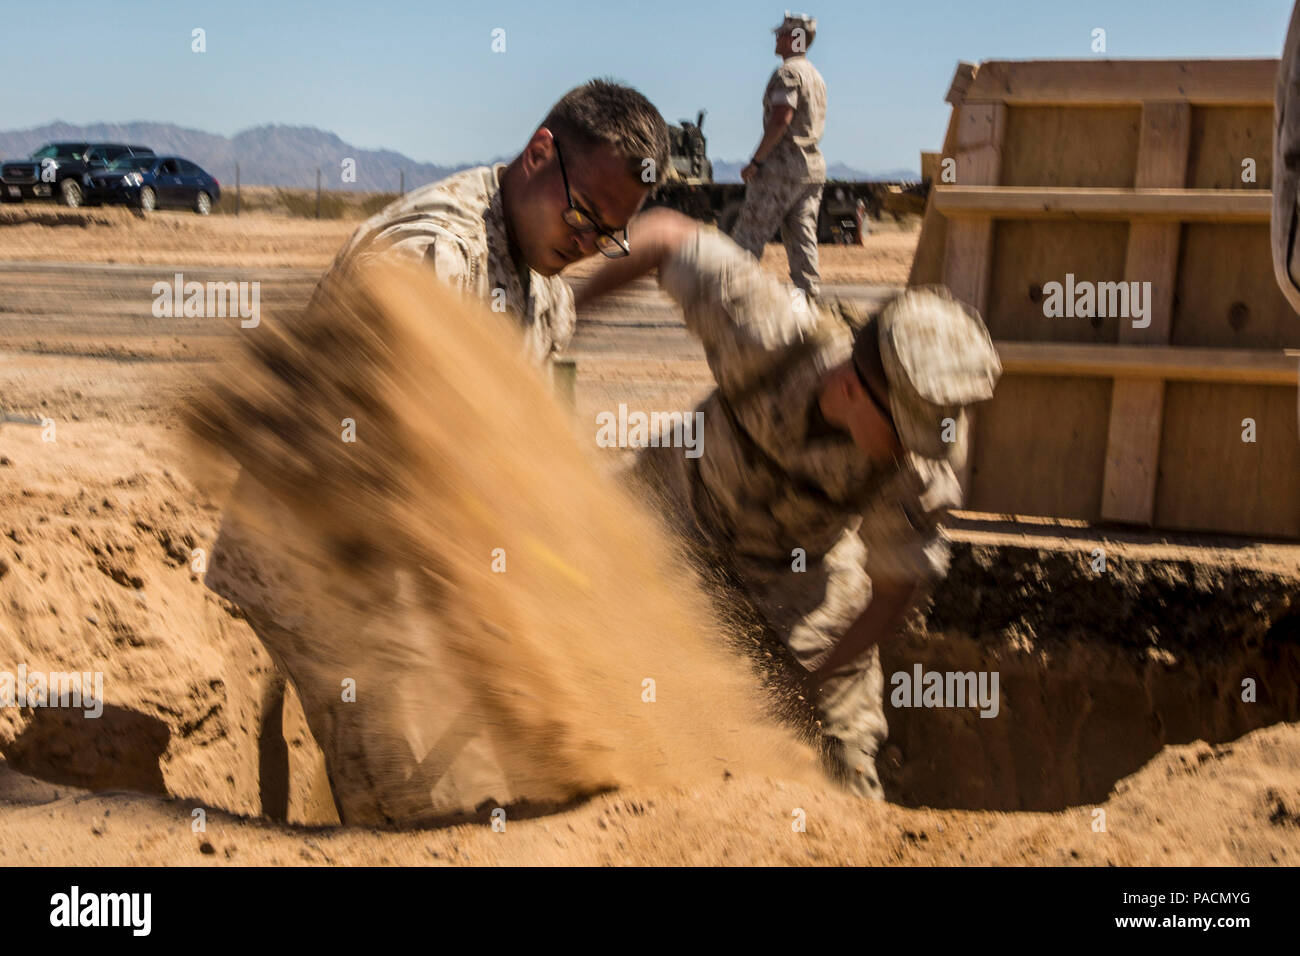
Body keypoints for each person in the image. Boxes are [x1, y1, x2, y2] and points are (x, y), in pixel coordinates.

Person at [205, 80, 669, 825]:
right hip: (321, 567)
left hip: (418, 574)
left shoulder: (545, 288)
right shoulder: (427, 259)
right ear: (540, 152)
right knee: (408, 810)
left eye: (606, 235)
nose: (586, 246)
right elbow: (365, 460)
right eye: (582, 215)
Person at [577, 208, 1002, 798]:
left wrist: (811, 686)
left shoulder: (921, 465)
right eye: (904, 436)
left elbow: (892, 590)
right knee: (570, 627)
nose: (914, 456)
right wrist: (566, 318)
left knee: (842, 752)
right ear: (852, 389)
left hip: (795, 574)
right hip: (669, 510)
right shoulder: (771, 332)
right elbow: (665, 236)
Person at [731, 11, 828, 299]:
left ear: (794, 38)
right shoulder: (816, 76)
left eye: (781, 33)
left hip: (781, 169)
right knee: (802, 240)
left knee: (748, 237)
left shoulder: (788, 73)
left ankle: (733, 300)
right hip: (810, 169)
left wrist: (757, 160)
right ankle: (808, 303)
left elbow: (781, 118)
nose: (776, 38)